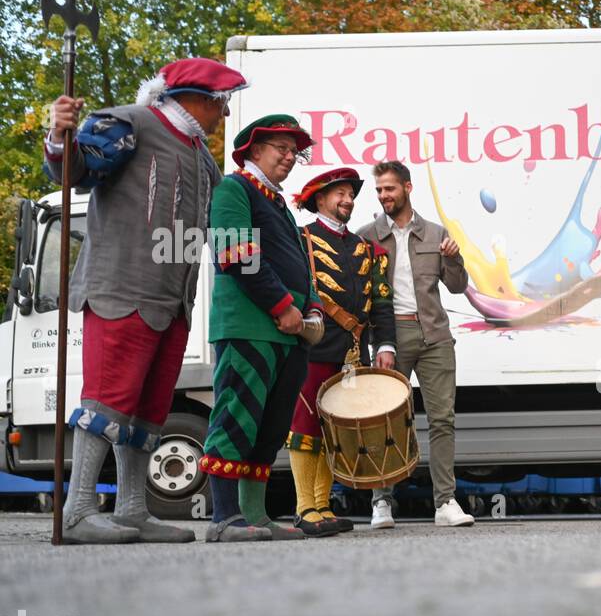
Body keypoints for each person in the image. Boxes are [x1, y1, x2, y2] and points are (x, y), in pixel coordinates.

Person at [42, 57, 248, 544]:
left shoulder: (203, 157)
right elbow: (76, 172)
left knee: (149, 410)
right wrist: (59, 135)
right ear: (198, 98)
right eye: (222, 103)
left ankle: (133, 509)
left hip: (174, 299)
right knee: (108, 400)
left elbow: (218, 230)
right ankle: (76, 510)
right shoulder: (128, 124)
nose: (223, 113)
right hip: (122, 288)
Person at [199, 115, 325, 542]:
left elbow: (299, 265)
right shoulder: (233, 189)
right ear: (254, 151)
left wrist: (312, 307)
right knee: (236, 416)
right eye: (281, 149)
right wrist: (283, 306)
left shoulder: (277, 201)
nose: (290, 158)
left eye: (294, 151)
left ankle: (255, 514)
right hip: (250, 326)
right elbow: (236, 254)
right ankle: (225, 518)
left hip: (289, 332)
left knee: (270, 427)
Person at [356, 160, 474, 529]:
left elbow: (456, 286)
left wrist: (454, 259)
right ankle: (381, 502)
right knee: (384, 422)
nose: (383, 196)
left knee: (443, 421)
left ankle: (445, 503)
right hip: (392, 336)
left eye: (389, 188)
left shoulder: (436, 233)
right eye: (379, 190)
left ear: (407, 188)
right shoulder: (367, 236)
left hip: (435, 335)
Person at [286, 168, 396, 536]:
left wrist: (385, 344)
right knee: (305, 428)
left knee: (335, 430)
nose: (347, 200)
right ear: (320, 199)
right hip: (311, 346)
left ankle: (324, 506)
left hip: (352, 353)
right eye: (340, 194)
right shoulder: (300, 241)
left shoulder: (370, 251)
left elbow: (381, 305)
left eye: (351, 194)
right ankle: (305, 508)